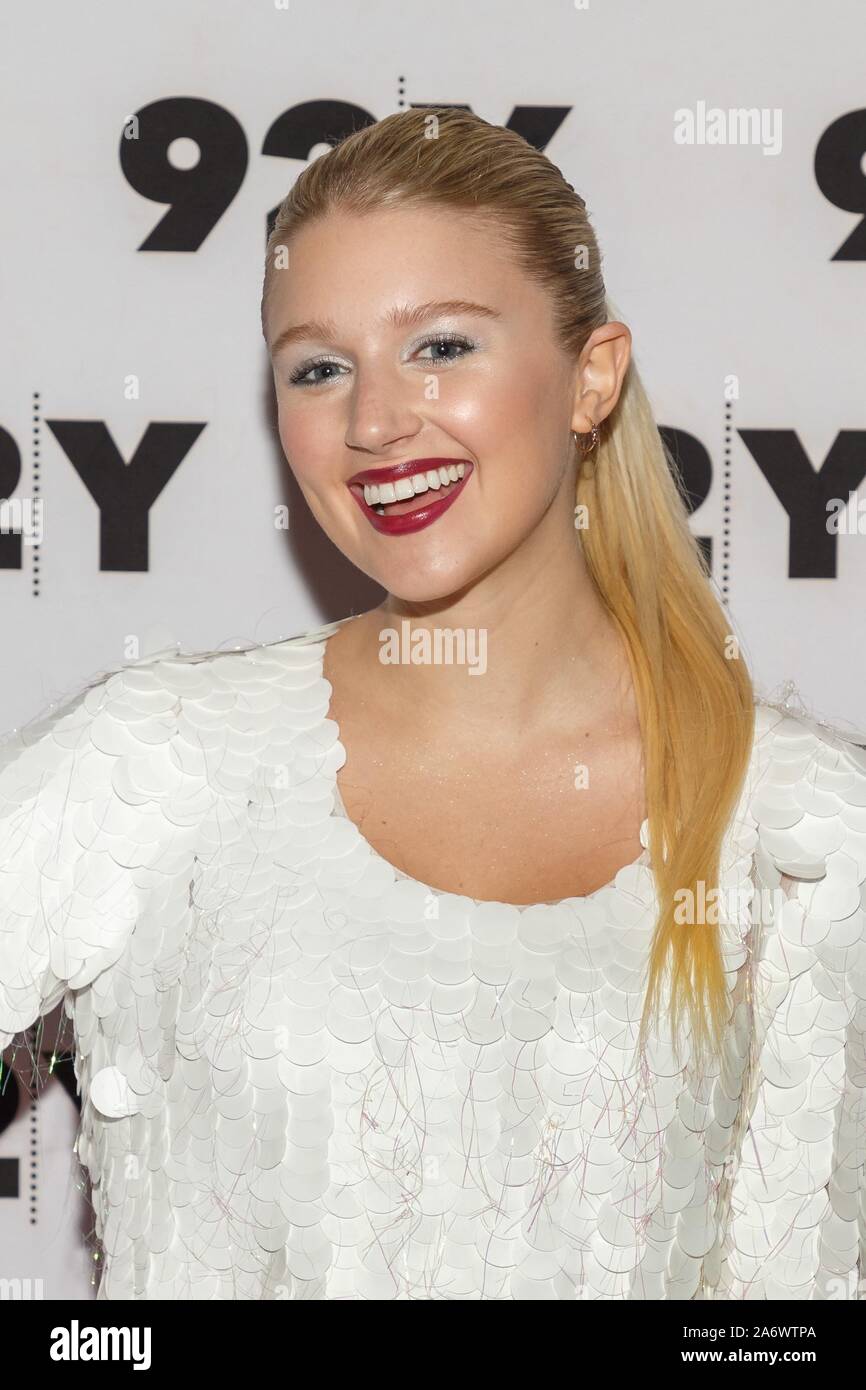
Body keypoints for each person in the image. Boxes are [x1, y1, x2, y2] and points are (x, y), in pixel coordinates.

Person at [1, 107, 864, 1301]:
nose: (371, 422)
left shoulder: (804, 827)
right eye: (318, 368)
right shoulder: (159, 760)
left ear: (589, 375)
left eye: (440, 347)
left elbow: (790, 1308)